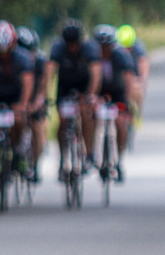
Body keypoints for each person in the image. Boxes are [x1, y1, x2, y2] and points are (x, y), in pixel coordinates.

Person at [44, 19, 103, 171]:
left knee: (85, 113)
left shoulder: (90, 48)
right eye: (69, 43)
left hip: (84, 86)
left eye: (75, 43)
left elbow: (96, 74)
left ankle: (89, 152)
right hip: (65, 87)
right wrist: (43, 95)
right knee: (63, 121)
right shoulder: (58, 48)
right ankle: (62, 156)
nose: (72, 47)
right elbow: (49, 72)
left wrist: (91, 94)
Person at [0, 21, 34, 178]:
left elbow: (27, 82)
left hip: (15, 97)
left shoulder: (23, 57)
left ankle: (18, 148)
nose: (4, 54)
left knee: (19, 120)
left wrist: (23, 104)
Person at [94, 25, 138, 181]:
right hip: (98, 92)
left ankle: (119, 159)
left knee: (120, 123)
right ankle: (91, 153)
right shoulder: (92, 57)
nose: (104, 50)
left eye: (107, 46)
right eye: (101, 46)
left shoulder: (122, 56)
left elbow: (129, 80)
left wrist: (128, 103)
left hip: (118, 93)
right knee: (89, 117)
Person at [16, 26, 46, 181]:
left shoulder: (40, 61)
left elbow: (43, 86)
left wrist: (36, 103)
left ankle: (34, 164)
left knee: (36, 126)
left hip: (34, 98)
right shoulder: (12, 61)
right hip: (16, 98)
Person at [116, 24, 149, 99]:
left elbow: (143, 62)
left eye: (129, 48)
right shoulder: (114, 50)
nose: (126, 51)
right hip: (120, 78)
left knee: (137, 90)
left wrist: (143, 79)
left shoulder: (138, 47)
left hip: (135, 76)